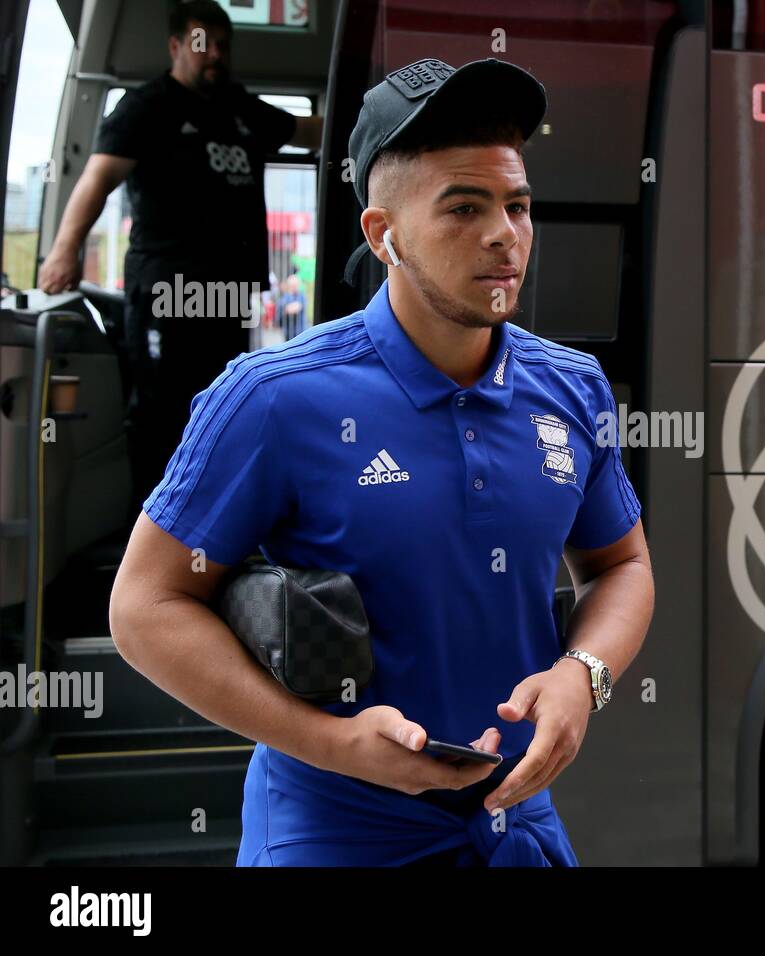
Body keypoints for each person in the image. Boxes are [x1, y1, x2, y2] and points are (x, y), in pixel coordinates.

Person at [108, 56, 655, 867]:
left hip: (517, 826)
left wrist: (584, 675)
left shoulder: (571, 388)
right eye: (464, 208)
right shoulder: (273, 397)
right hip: (336, 830)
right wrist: (330, 743)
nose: (504, 234)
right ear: (383, 233)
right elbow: (145, 607)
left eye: (517, 205)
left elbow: (622, 565)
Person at [37, 0, 323, 510]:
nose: (214, 54)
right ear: (175, 46)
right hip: (171, 291)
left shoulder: (238, 107)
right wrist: (63, 252)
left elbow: (306, 131)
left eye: (222, 44)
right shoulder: (148, 107)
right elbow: (96, 180)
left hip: (232, 293)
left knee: (223, 408)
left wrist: (377, 111)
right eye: (201, 43)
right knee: (162, 415)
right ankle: (149, 542)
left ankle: (208, 533)